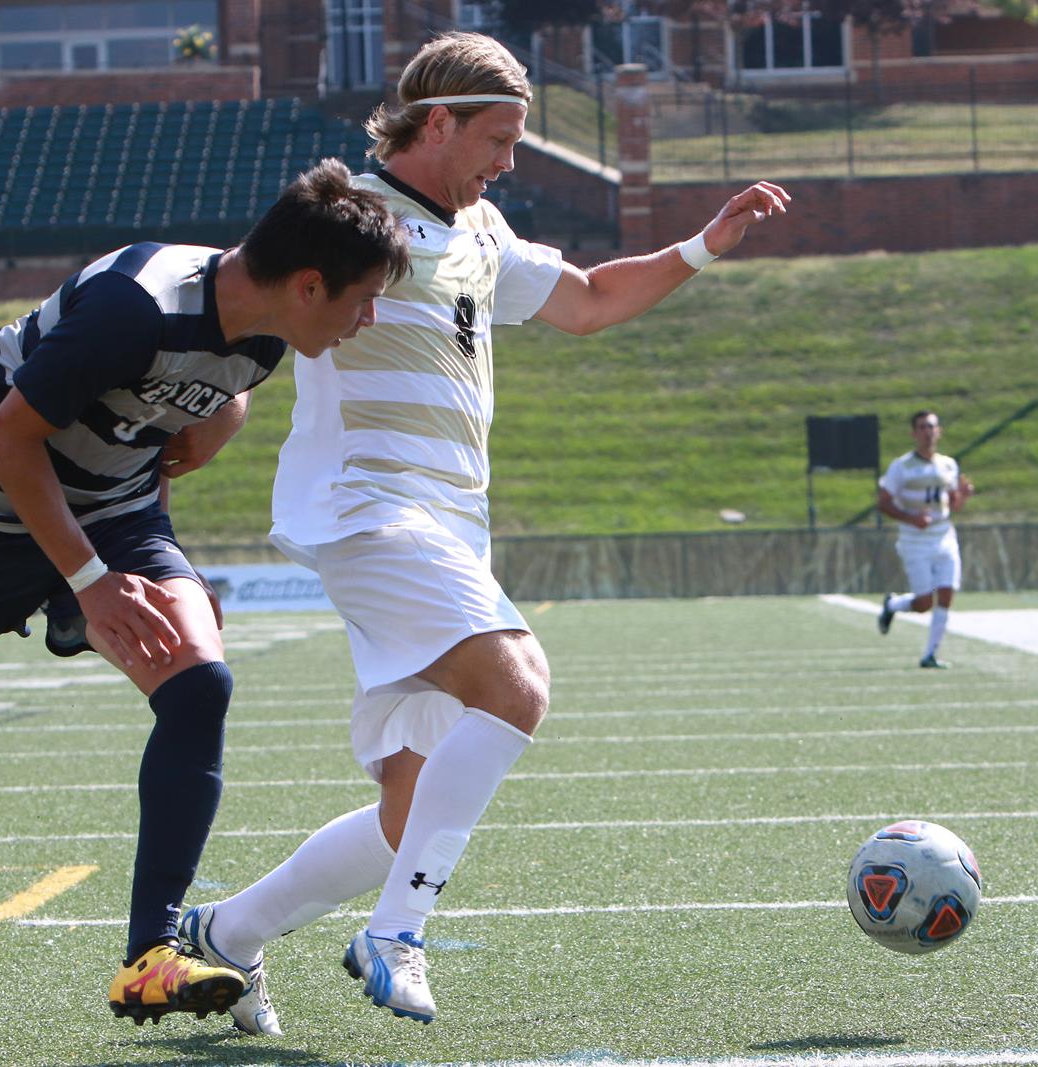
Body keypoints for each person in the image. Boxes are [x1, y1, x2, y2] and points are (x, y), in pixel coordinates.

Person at [174, 31, 790, 1032]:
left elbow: (589, 301)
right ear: (433, 122)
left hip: (448, 528)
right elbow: (233, 308)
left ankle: (225, 936)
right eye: (496, 137)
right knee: (517, 682)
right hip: (369, 507)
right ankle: (396, 931)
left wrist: (701, 245)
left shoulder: (483, 229)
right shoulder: (347, 221)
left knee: (405, 813)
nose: (510, 158)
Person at [0, 159, 410, 1027]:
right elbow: (7, 438)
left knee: (198, 686)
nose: (367, 319)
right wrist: (93, 585)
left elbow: (207, 403)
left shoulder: (266, 333)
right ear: (306, 283)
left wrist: (168, 521)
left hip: (111, 510)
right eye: (361, 297)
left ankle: (151, 952)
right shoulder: (133, 307)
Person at [876, 410, 973, 668]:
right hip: (915, 541)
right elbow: (883, 503)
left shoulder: (948, 465)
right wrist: (911, 519)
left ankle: (930, 654)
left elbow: (953, 505)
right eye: (922, 428)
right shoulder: (902, 466)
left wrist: (963, 496)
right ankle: (894, 604)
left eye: (931, 427)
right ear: (913, 433)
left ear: (939, 431)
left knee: (947, 592)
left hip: (943, 536)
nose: (927, 432)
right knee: (922, 604)